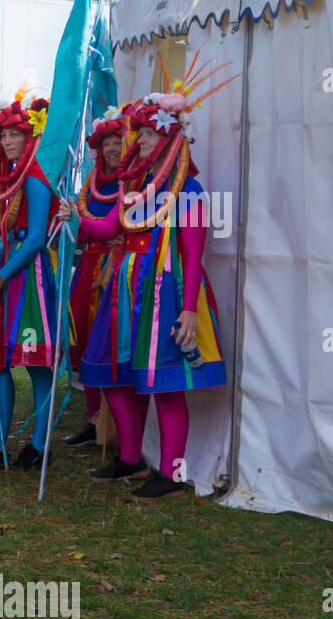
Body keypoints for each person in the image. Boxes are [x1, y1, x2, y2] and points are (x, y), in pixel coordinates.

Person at [76, 83, 227, 500]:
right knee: (111, 371)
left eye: (146, 134)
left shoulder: (189, 192)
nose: (137, 140)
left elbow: (195, 255)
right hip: (124, 288)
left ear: (168, 138)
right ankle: (131, 457)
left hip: (167, 292)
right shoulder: (135, 187)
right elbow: (109, 229)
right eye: (137, 133)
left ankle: (173, 474)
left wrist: (190, 312)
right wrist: (73, 220)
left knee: (165, 382)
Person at [0, 91, 60, 469]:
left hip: (29, 282)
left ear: (29, 137)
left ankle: (39, 445)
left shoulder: (35, 176)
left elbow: (36, 238)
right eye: (2, 135)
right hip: (6, 275)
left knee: (36, 363)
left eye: (13, 135)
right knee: (0, 362)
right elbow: (11, 235)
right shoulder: (7, 179)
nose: (5, 141)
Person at [61, 106, 128, 448]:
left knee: (111, 346)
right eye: (106, 144)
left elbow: (108, 228)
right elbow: (82, 233)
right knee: (84, 344)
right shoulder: (91, 184)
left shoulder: (132, 182)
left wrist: (80, 223)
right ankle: (92, 420)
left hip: (113, 271)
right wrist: (89, 229)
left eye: (118, 142)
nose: (111, 149)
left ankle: (116, 424)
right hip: (86, 271)